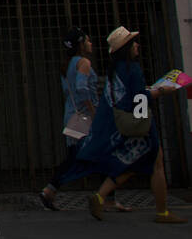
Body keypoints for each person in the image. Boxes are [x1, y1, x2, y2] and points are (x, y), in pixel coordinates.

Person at [60, 26, 185, 224]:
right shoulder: (131, 69)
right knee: (156, 162)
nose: (137, 45)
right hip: (136, 120)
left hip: (123, 120)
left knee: (130, 162)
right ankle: (162, 212)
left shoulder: (114, 69)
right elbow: (137, 97)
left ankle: (100, 196)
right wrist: (159, 93)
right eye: (132, 42)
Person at [39, 27, 97, 210]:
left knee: (74, 155)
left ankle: (51, 189)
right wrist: (94, 111)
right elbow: (82, 89)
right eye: (87, 40)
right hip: (84, 117)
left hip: (72, 115)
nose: (90, 43)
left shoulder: (68, 64)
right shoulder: (83, 63)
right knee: (90, 154)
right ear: (80, 44)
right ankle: (106, 196)